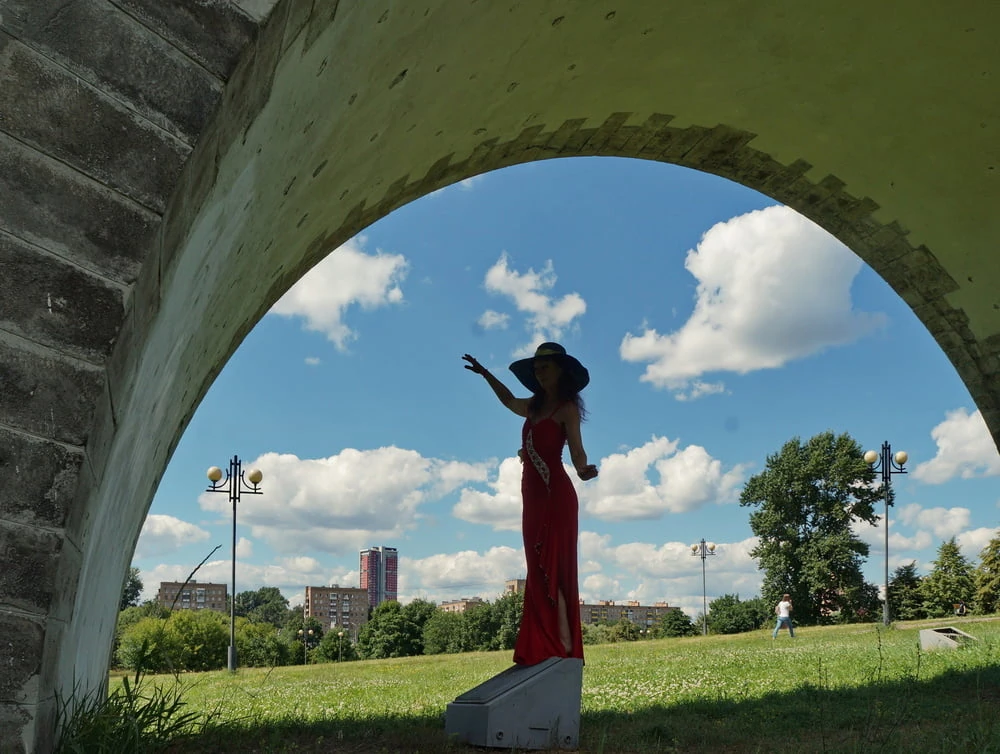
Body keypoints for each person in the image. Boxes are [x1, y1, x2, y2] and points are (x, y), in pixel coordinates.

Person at [463, 343, 598, 665]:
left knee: (556, 567)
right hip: (532, 495)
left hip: (557, 495)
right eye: (536, 367)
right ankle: (542, 643)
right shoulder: (533, 408)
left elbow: (577, 450)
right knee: (536, 568)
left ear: (560, 370)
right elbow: (509, 401)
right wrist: (485, 375)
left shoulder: (566, 409)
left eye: (545, 366)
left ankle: (564, 645)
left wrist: (583, 470)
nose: (539, 371)